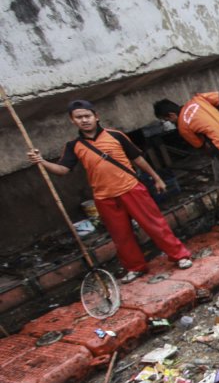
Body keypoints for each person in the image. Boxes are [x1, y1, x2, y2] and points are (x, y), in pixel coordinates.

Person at [27, 100, 192, 283]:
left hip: (131, 188)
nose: (84, 120)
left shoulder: (116, 135)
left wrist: (156, 178)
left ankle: (180, 256)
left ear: (96, 116)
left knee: (155, 225)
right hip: (104, 197)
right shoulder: (74, 146)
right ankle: (135, 267)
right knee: (121, 236)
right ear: (72, 121)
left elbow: (137, 158)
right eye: (79, 117)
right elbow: (62, 170)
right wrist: (41, 161)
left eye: (87, 116)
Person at [153, 92, 219, 224]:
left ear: (171, 115)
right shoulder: (197, 100)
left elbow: (200, 145)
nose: (169, 122)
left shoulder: (183, 125)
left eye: (167, 120)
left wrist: (214, 157)